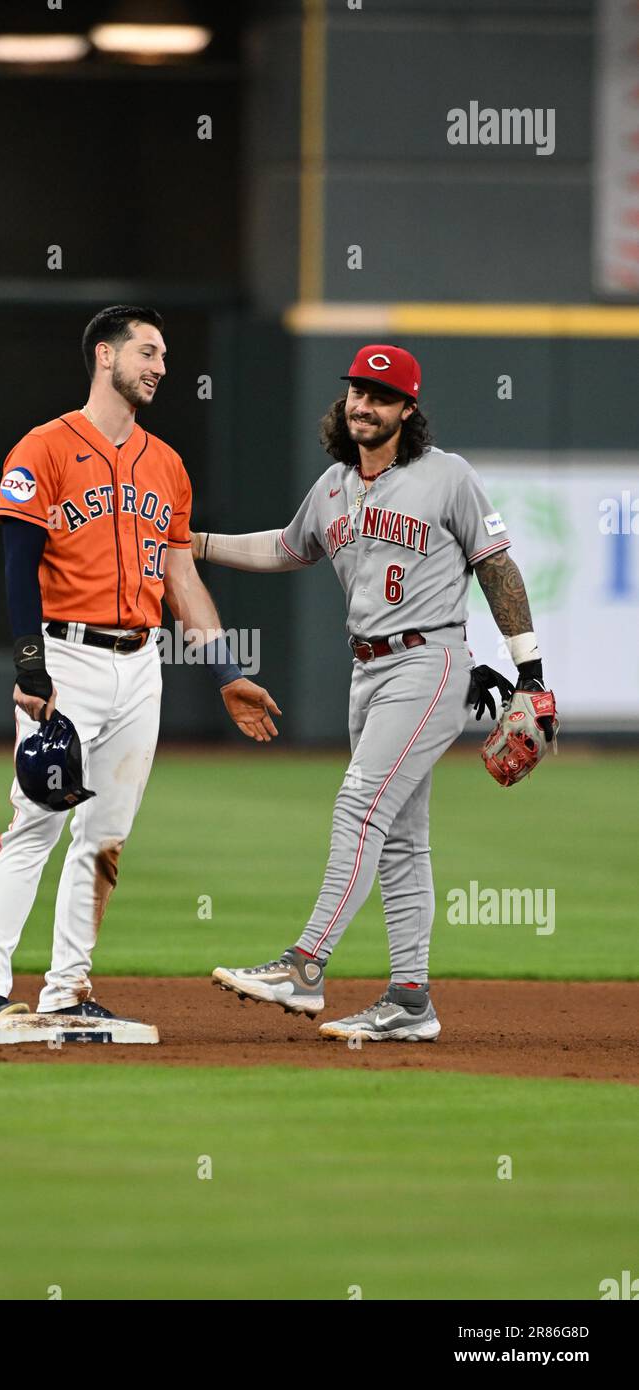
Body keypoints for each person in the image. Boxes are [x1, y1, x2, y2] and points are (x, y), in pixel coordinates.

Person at [198, 343, 555, 1042]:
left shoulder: (445, 475)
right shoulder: (335, 485)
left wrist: (530, 672)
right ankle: (410, 1001)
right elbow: (286, 548)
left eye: (381, 396)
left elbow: (497, 569)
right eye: (357, 391)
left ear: (407, 410)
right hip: (368, 670)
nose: (364, 404)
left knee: (360, 805)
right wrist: (195, 543)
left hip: (427, 665)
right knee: (397, 841)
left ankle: (304, 966)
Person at [0, 305, 280, 1021]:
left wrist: (227, 670)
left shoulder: (165, 465)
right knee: (37, 820)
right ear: (104, 357)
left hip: (142, 664)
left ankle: (69, 989)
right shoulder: (42, 448)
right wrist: (29, 666)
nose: (161, 366)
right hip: (66, 656)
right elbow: (17, 563)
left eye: (164, 355)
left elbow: (180, 578)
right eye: (147, 351)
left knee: (106, 836)